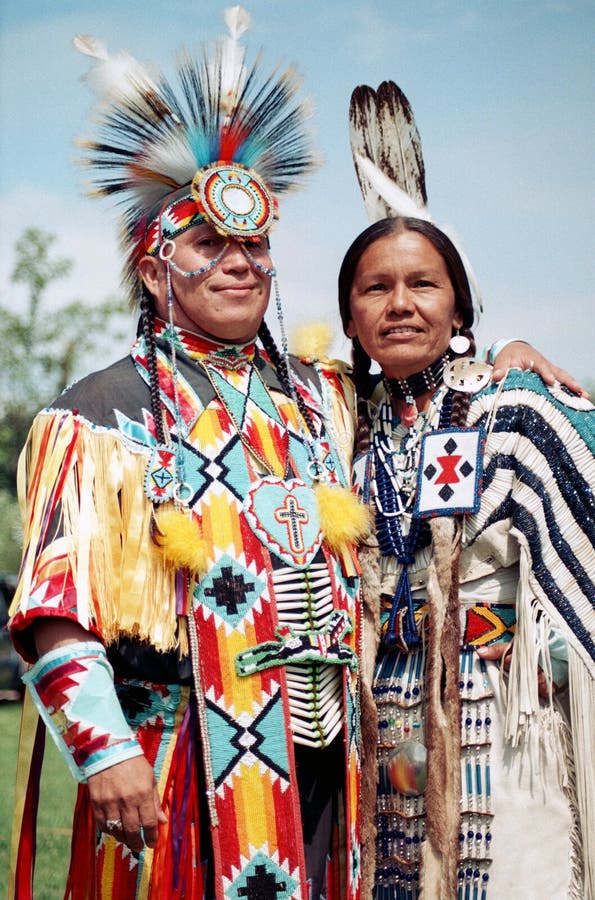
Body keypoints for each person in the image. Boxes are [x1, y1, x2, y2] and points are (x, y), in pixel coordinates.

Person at [338, 215, 594, 899]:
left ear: (458, 309)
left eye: (422, 284)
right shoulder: (338, 426)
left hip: (501, 725)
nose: (399, 304)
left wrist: (557, 658)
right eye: (374, 288)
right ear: (349, 319)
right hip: (380, 726)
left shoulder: (512, 406)